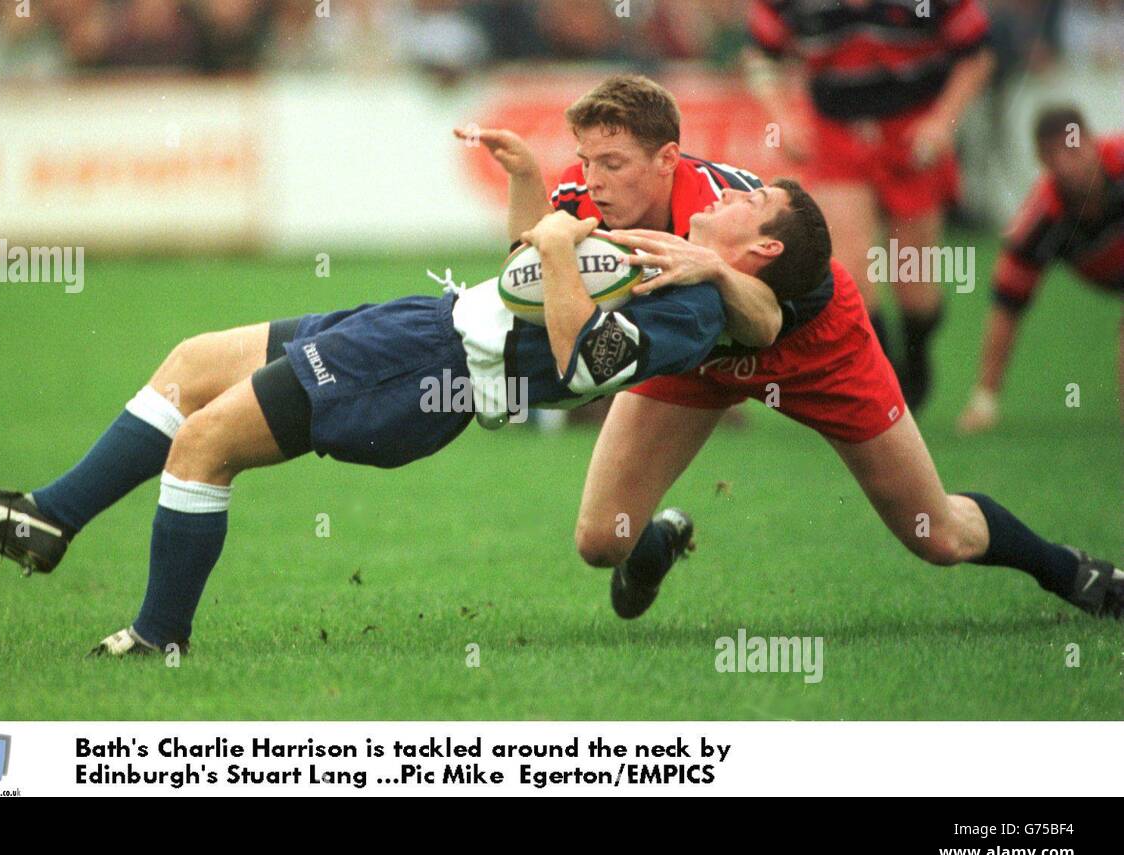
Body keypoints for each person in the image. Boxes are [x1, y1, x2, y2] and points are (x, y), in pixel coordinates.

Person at [0, 177, 833, 656]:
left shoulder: (697, 306)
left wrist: (563, 247)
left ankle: (159, 636)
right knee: (195, 361)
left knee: (204, 446)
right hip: (420, 325)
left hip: (422, 371)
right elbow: (534, 276)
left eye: (753, 200)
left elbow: (581, 359)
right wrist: (537, 203)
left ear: (761, 246)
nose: (732, 188)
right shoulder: (690, 264)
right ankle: (53, 514)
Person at [468, 74, 1121, 622]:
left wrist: (718, 271)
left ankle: (1071, 570)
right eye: (586, 160)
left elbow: (764, 323)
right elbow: (530, 277)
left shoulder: (722, 204)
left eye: (611, 162)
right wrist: (529, 191)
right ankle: (658, 538)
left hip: (813, 344)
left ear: (667, 159)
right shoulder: (582, 194)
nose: (593, 178)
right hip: (696, 358)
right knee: (598, 543)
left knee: (938, 535)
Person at [746, 0, 995, 411]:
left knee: (915, 289)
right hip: (835, 132)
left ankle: (915, 352)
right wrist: (782, 117)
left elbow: (976, 55)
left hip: (913, 129)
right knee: (851, 272)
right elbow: (760, 56)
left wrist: (943, 121)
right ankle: (882, 386)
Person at [957, 106, 1124, 434]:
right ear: (1041, 161)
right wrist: (984, 399)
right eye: (1052, 154)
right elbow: (1007, 307)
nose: (1065, 163)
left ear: (1092, 142)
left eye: (1072, 149)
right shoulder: (1039, 222)